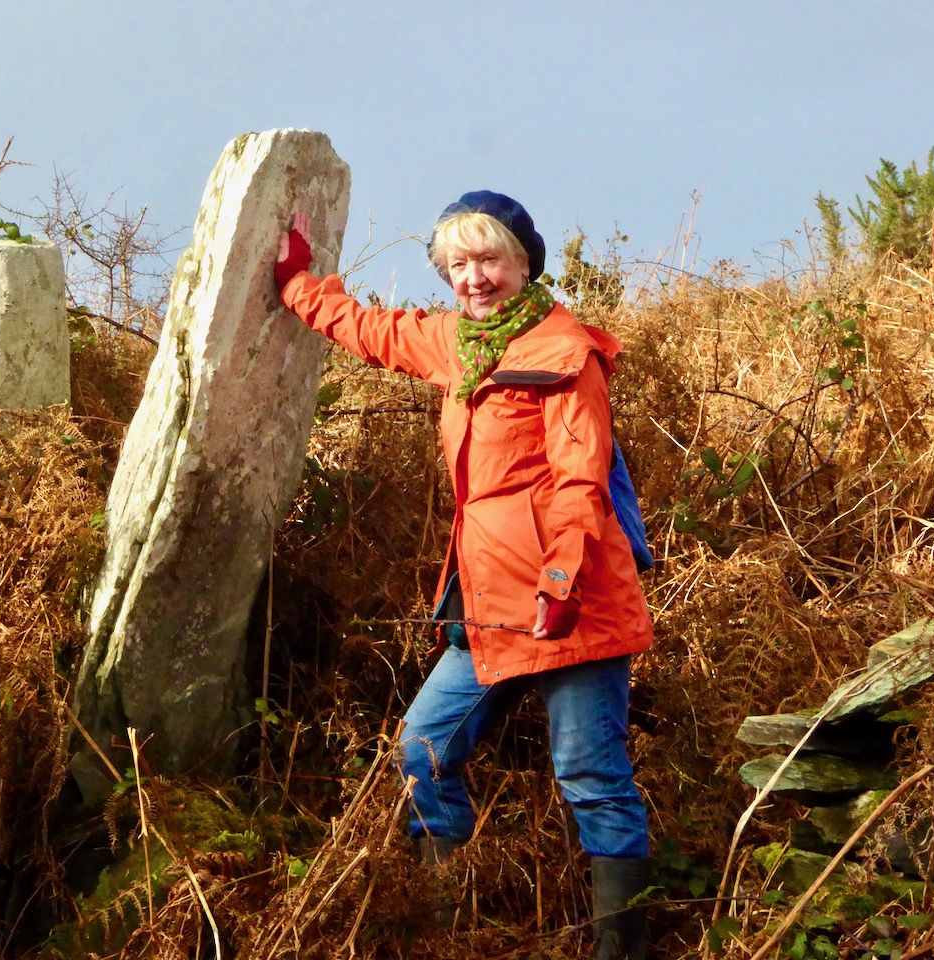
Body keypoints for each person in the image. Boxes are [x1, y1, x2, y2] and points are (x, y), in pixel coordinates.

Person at [275, 191, 653, 959]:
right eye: (457, 265)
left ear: (523, 263)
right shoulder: (459, 343)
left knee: (590, 773)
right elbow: (373, 330)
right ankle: (455, 928)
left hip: (570, 603)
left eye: (488, 260)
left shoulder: (564, 354)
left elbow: (580, 481)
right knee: (424, 749)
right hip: (487, 600)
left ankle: (624, 949)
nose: (473, 278)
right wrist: (296, 283)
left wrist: (562, 580)